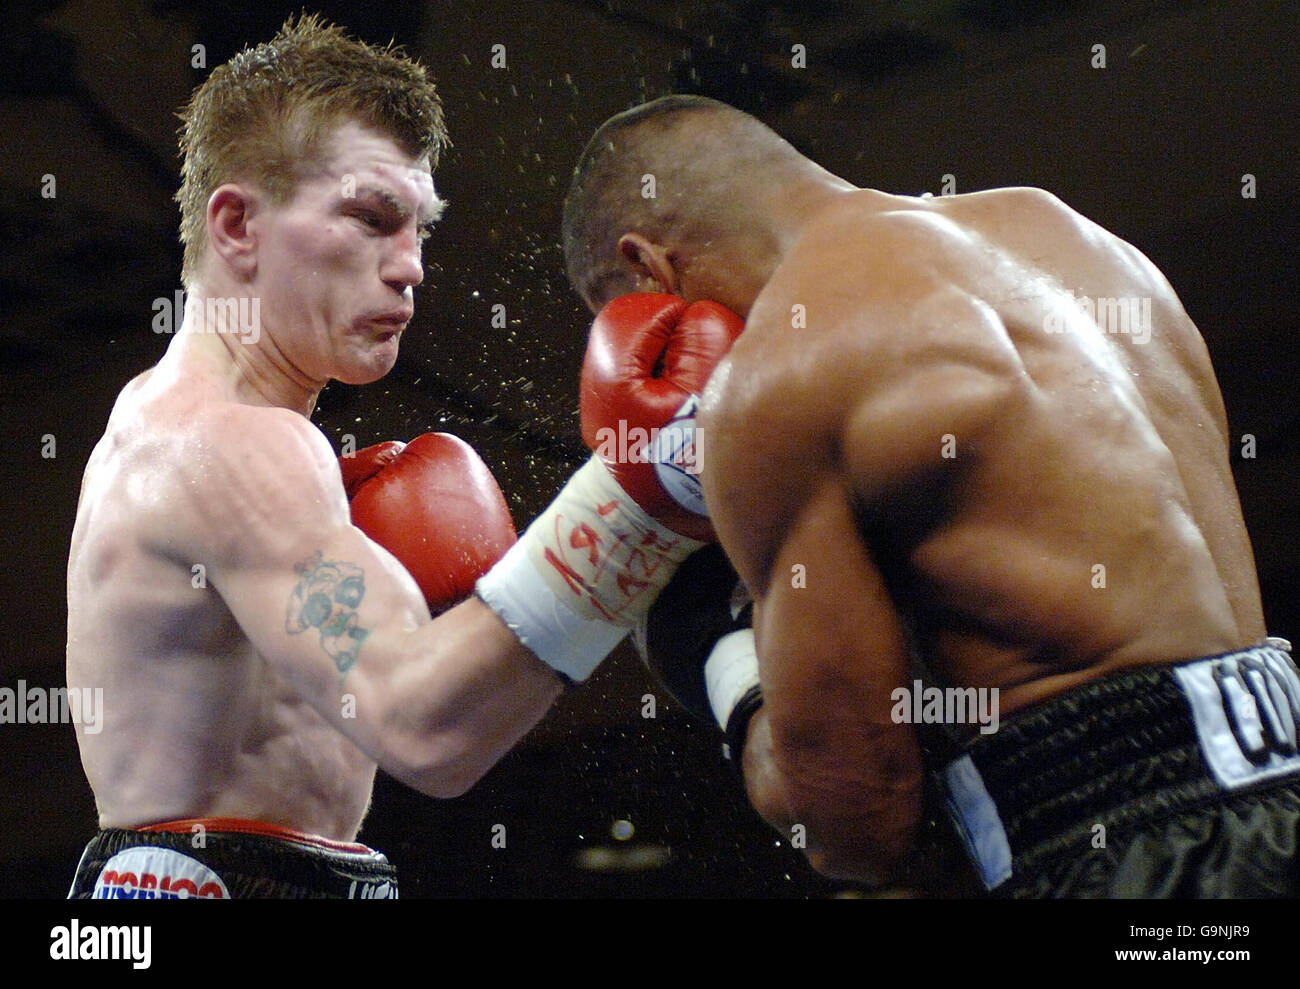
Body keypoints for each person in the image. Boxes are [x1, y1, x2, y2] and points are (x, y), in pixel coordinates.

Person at [65, 17, 739, 899]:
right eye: (372, 218)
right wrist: (635, 499)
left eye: (420, 228)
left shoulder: (185, 433)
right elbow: (427, 729)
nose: (412, 267)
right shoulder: (225, 443)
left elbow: (455, 723)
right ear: (236, 225)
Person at [562, 94, 1300, 897]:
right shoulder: (1079, 241)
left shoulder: (777, 379)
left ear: (647, 267)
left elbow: (856, 822)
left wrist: (715, 653)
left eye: (634, 315)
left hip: (1125, 859)